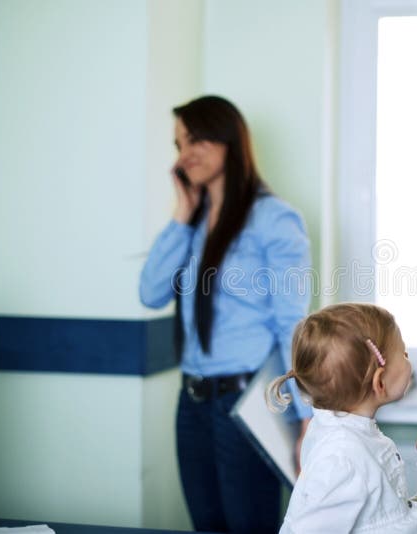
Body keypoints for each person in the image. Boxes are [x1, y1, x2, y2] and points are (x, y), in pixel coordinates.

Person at [139, 95, 312, 534]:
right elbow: (151, 293)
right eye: (179, 144)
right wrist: (182, 213)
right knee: (206, 527)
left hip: (247, 405)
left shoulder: (274, 219)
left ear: (228, 140)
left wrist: (306, 417)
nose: (185, 154)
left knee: (249, 526)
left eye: (196, 139)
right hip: (192, 403)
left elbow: (292, 324)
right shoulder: (193, 223)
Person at [268, 303, 417, 534]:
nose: (408, 360)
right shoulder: (342, 458)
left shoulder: (342, 431)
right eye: (404, 354)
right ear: (380, 381)